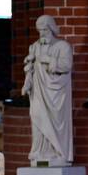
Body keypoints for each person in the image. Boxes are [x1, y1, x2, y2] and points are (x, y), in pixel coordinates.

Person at [23, 15, 75, 166]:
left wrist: (48, 60)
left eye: (45, 30)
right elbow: (30, 68)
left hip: (56, 93)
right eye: (40, 30)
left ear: (52, 28)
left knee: (56, 122)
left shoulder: (63, 46)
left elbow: (66, 65)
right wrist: (27, 80)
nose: (42, 33)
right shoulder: (34, 46)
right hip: (38, 91)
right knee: (37, 116)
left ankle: (58, 153)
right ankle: (39, 152)